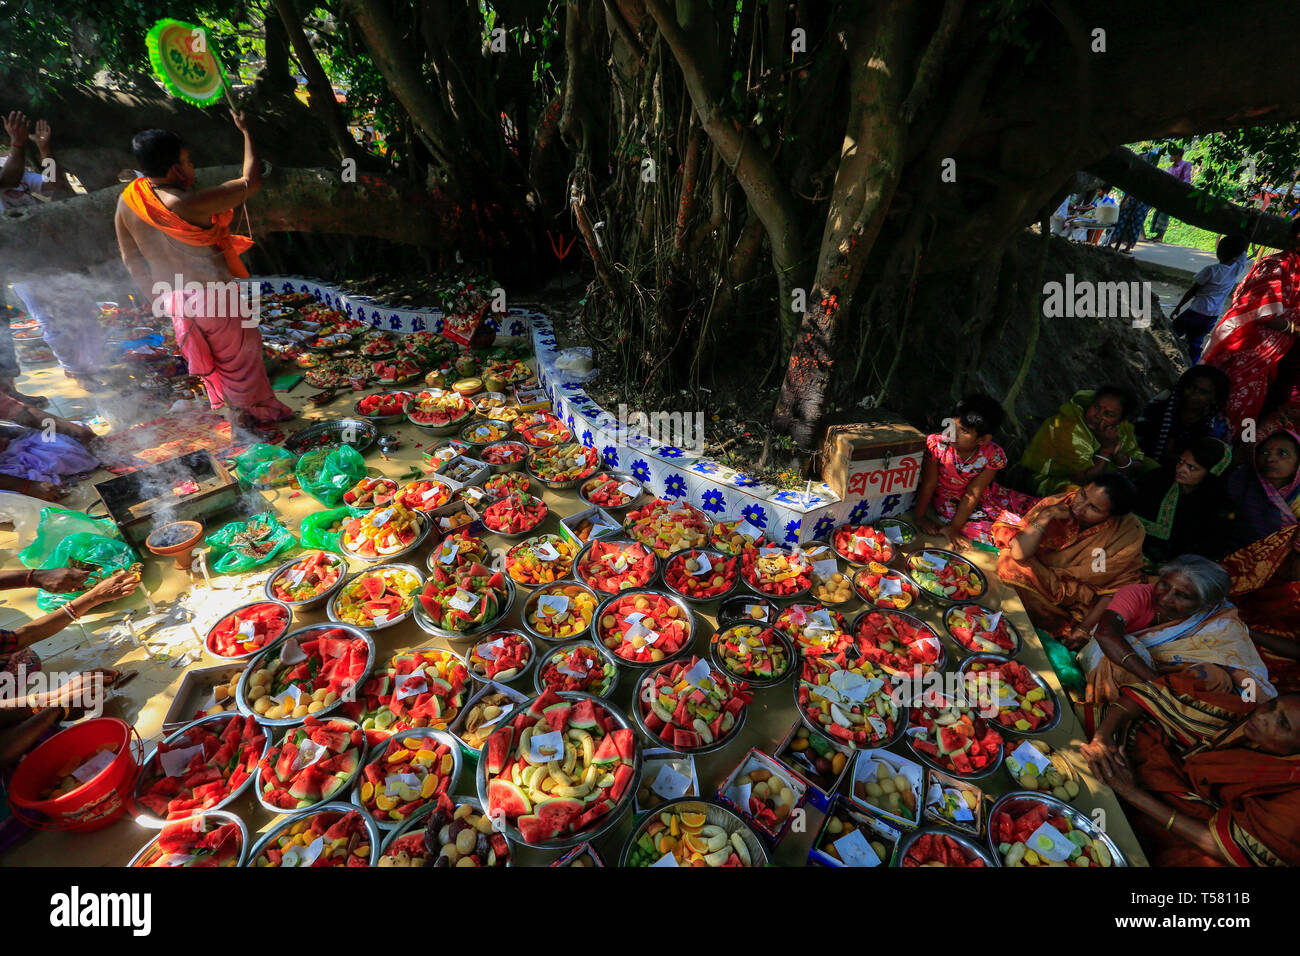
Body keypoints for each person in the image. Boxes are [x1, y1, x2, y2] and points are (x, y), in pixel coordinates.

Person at [114, 110, 292, 426]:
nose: (192, 167)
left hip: (175, 302)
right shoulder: (182, 205)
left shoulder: (127, 202)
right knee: (242, 369)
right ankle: (255, 428)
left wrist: (158, 305)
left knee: (216, 372)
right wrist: (247, 132)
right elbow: (251, 182)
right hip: (214, 299)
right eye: (188, 161)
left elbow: (131, 260)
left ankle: (241, 425)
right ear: (174, 169)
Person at [1084, 682, 1300, 866]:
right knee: (1132, 732)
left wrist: (1133, 794)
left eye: (1282, 724)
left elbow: (1235, 848)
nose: (1263, 715)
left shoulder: (1292, 805)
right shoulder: (1242, 714)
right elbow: (1151, 694)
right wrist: (1102, 737)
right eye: (1271, 704)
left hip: (1213, 827)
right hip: (1179, 778)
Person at [1072, 555, 1273, 704]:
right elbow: (1105, 634)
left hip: (1171, 678)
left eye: (1182, 596)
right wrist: (1156, 682)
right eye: (1164, 585)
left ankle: (1165, 714)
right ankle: (1130, 713)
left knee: (1216, 677)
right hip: (1115, 662)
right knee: (1124, 654)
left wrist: (1248, 696)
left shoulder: (1220, 623)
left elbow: (1243, 671)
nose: (1166, 598)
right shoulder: (1137, 594)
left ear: (1206, 604)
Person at [991, 474, 1146, 639]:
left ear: (1112, 516)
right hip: (1039, 575)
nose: (1079, 507)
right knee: (1009, 562)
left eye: (1093, 508)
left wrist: (1084, 628)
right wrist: (1044, 518)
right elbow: (1019, 553)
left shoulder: (1127, 534)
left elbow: (1115, 589)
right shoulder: (1057, 504)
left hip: (1075, 600)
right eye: (1083, 495)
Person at [1199, 218, 1300, 435]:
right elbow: (1261, 311)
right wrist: (1294, 329)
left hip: (1285, 359)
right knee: (1235, 410)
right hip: (1251, 354)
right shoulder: (1275, 266)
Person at [913, 394, 1038, 550]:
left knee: (1035, 509)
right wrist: (920, 517)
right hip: (949, 501)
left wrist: (954, 527)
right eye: (952, 424)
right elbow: (929, 483)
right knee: (1006, 532)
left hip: (983, 495)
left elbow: (974, 492)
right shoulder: (937, 445)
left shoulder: (993, 454)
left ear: (983, 439)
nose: (952, 432)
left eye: (964, 431)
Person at [1017, 385, 1155, 497]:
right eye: (1096, 407)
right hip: (1053, 482)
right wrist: (1106, 450)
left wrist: (1117, 454)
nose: (1098, 415)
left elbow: (1138, 465)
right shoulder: (1070, 426)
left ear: (1121, 420)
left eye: (1108, 414)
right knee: (1082, 497)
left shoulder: (1122, 430)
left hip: (1102, 485)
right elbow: (1082, 479)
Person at [1223, 523, 1300, 694]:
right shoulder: (1284, 539)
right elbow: (1234, 574)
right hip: (1237, 610)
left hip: (1272, 646)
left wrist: (1246, 631)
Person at [1133, 438, 1233, 564]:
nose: (1180, 469)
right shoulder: (1157, 479)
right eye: (1180, 462)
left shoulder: (1218, 506)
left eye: (1191, 467)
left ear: (1211, 474)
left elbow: (1208, 549)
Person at [0, 390, 98, 501]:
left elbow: (24, 413)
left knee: (70, 439)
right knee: (15, 503)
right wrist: (26, 486)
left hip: (8, 450)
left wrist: (81, 432)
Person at [1169, 235, 1251, 361]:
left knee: (1171, 333)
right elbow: (1243, 251)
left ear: (1218, 252)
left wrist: (1178, 307)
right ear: (1236, 256)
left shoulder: (1211, 270)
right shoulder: (1236, 269)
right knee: (1195, 343)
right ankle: (1192, 364)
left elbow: (1192, 290)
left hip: (1196, 311)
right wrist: (1249, 232)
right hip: (1212, 316)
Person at [1132, 366, 1232, 468]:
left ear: (1214, 399)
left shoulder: (1218, 428)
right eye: (1191, 387)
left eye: (1203, 392)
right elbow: (1137, 439)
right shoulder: (1161, 408)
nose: (1194, 394)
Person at [1222, 429, 1300, 554]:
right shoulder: (1242, 481)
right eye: (1264, 452)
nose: (1270, 458)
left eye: (1283, 453)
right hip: (1237, 556)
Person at [1147, 146, 1193, 243]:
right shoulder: (1171, 167)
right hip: (1166, 192)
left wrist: (1178, 188)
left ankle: (1160, 236)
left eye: (1172, 154)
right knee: (1158, 213)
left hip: (1175, 193)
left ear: (1178, 156)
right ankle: (1157, 235)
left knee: (1165, 214)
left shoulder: (1185, 165)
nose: (1170, 157)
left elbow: (1187, 179)